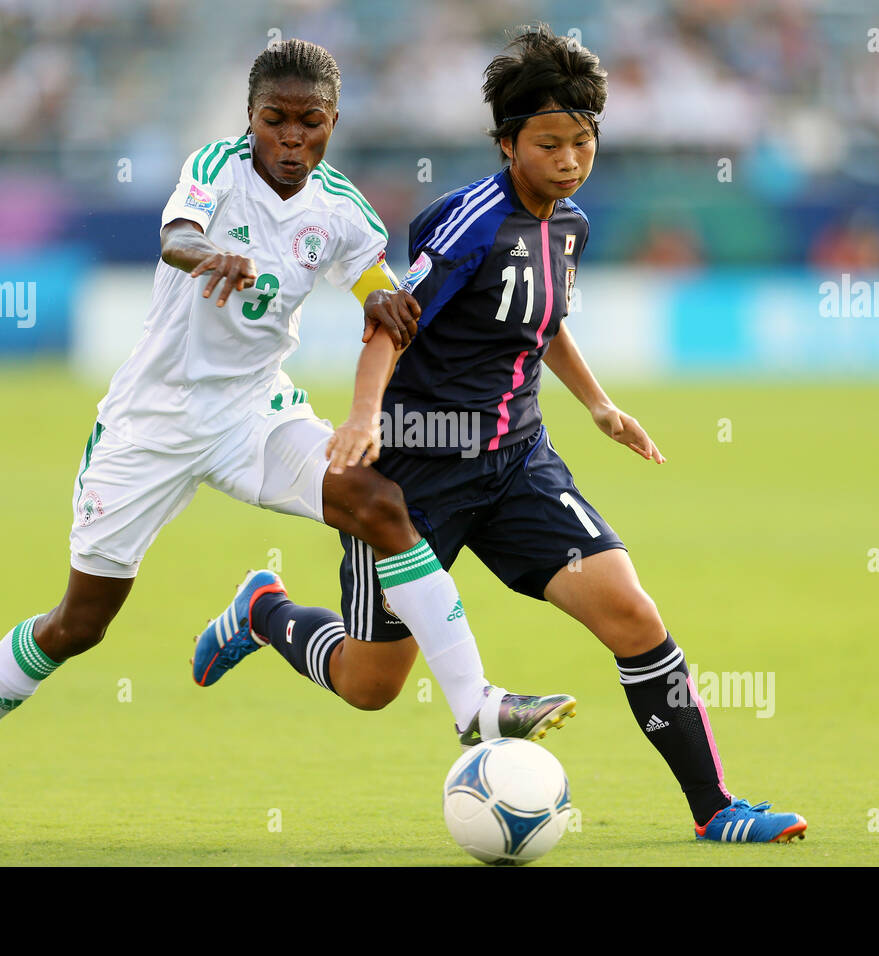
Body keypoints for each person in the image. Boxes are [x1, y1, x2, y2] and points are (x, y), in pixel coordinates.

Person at [0, 39, 574, 837]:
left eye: (309, 123)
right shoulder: (215, 169)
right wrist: (208, 254)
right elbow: (174, 238)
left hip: (254, 412)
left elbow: (374, 285)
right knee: (81, 622)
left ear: (332, 123)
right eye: (274, 120)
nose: (291, 139)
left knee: (381, 504)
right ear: (249, 120)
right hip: (152, 424)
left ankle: (476, 704)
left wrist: (386, 303)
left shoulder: (341, 209)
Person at [206, 26, 806, 843]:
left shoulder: (571, 226)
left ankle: (718, 810)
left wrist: (598, 405)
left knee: (634, 616)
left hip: (520, 462)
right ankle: (265, 611)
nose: (568, 160)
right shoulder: (468, 223)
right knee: (371, 683)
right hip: (417, 475)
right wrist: (358, 421)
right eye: (548, 143)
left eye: (582, 142)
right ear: (507, 144)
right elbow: (389, 326)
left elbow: (542, 321)